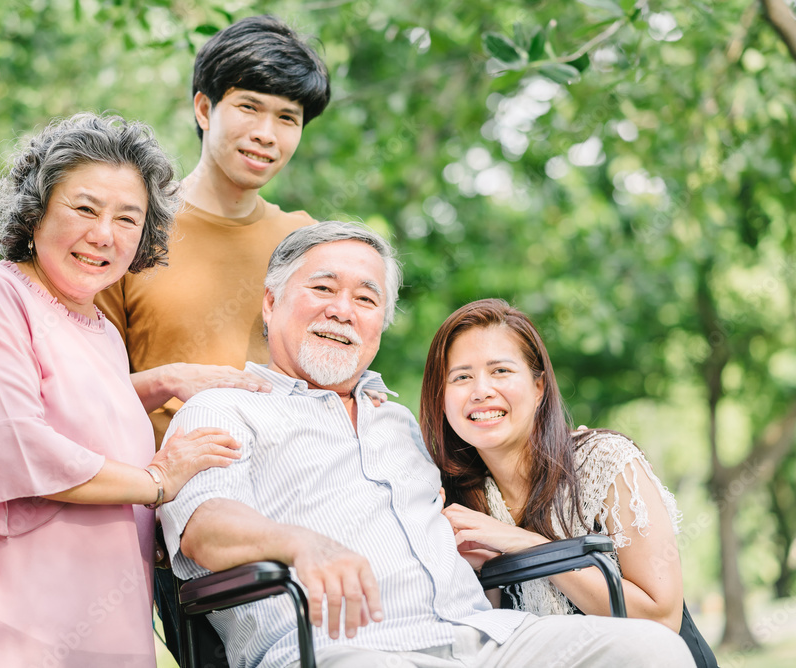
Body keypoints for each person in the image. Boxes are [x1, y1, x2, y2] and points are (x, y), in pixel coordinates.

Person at [159, 221, 695, 668]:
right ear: (271, 303)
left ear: (379, 326)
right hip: (346, 650)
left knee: (652, 652)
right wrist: (301, 543)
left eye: (366, 299)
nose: (343, 309)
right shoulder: (225, 408)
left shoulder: (399, 424)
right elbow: (205, 529)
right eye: (323, 288)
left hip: (482, 637)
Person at [0, 113, 273, 668]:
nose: (104, 235)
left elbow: (80, 408)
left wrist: (161, 381)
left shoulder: (103, 333)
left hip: (96, 625)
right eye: (85, 208)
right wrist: (159, 481)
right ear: (35, 210)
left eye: (128, 218)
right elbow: (15, 444)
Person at [93, 15, 331, 662]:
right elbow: (91, 397)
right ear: (204, 107)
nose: (267, 134)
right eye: (249, 108)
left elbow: (331, 377)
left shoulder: (305, 240)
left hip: (304, 505)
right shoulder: (132, 234)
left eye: (288, 118)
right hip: (185, 528)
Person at [419, 298, 717, 667]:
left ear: (539, 386)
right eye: (461, 377)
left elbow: (660, 619)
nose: (480, 390)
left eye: (500, 371)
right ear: (441, 397)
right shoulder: (455, 499)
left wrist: (530, 546)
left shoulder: (604, 462)